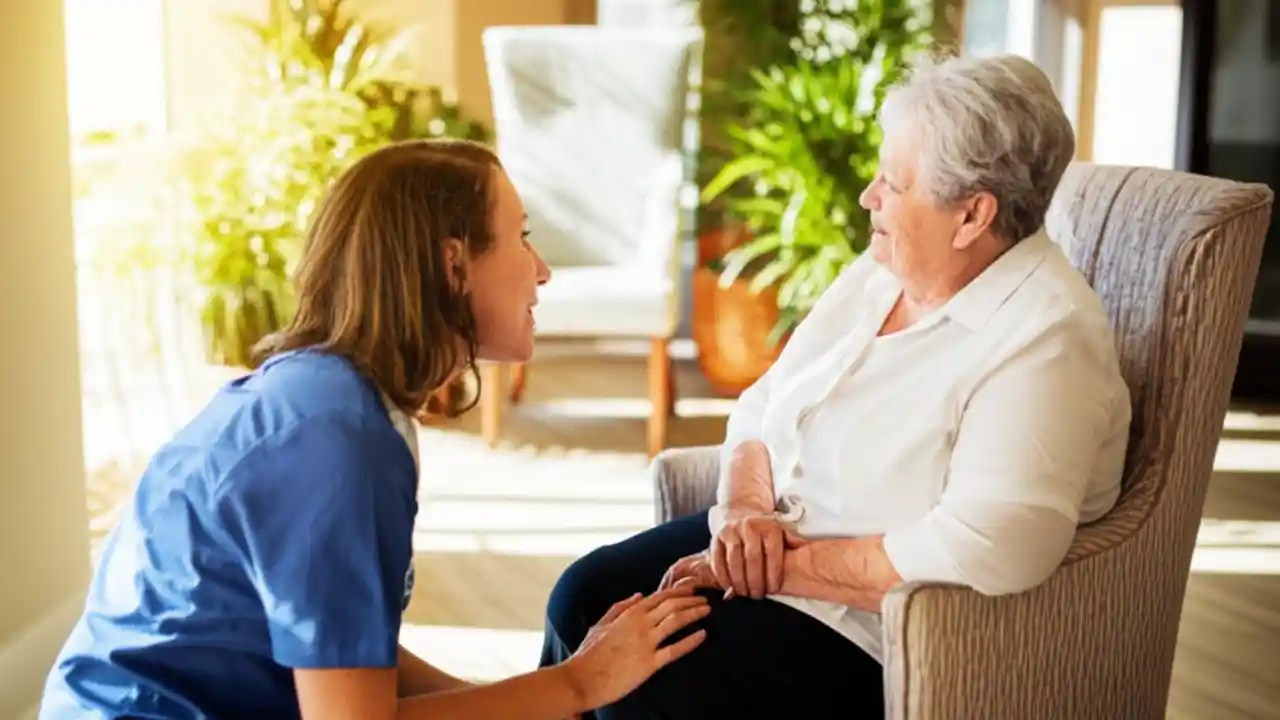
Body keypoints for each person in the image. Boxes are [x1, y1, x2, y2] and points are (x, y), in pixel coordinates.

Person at [540, 53, 1133, 718]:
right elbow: (765, 402)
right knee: (581, 598)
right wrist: (743, 512)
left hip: (875, 632)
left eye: (893, 184)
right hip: (776, 555)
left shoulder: (1047, 339)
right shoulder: (886, 271)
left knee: (651, 683)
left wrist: (782, 567)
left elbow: (989, 543)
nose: (868, 197)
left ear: (972, 215)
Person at [40, 139, 711, 720]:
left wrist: (540, 697)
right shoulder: (336, 441)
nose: (542, 270)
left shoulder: (333, 398)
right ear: (454, 266)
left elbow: (348, 649)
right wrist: (575, 683)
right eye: (521, 236)